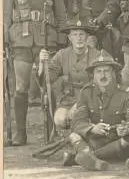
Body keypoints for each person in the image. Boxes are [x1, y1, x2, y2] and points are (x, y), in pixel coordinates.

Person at [3, 0, 67, 146]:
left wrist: (62, 41)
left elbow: (62, 18)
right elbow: (5, 19)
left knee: (48, 86)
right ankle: (20, 134)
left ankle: (52, 132)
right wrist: (4, 43)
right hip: (20, 44)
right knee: (21, 87)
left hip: (45, 44)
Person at [68, 51, 129, 170]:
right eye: (98, 71)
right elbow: (77, 122)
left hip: (118, 142)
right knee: (74, 135)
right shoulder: (86, 92)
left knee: (128, 141)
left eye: (106, 71)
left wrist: (127, 129)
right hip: (97, 140)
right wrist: (92, 128)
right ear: (93, 75)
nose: (103, 75)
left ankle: (88, 158)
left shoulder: (126, 94)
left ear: (113, 73)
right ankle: (93, 159)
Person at [39, 16, 101, 152]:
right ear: (69, 38)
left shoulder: (97, 55)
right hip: (68, 101)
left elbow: (104, 83)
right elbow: (49, 79)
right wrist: (42, 64)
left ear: (88, 37)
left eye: (82, 35)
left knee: (79, 116)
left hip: (91, 101)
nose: (79, 38)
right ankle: (78, 139)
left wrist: (80, 104)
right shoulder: (62, 55)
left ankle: (79, 143)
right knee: (60, 119)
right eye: (75, 35)